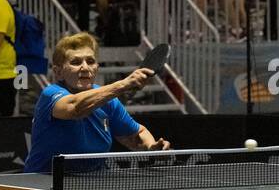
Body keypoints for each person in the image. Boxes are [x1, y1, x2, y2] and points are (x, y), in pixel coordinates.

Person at [23, 32, 169, 174]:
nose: (85, 67)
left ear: (97, 68)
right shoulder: (50, 94)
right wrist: (124, 84)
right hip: (46, 181)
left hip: (93, 178)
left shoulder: (109, 100)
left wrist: (151, 146)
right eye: (76, 62)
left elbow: (137, 134)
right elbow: (74, 108)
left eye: (90, 61)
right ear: (58, 72)